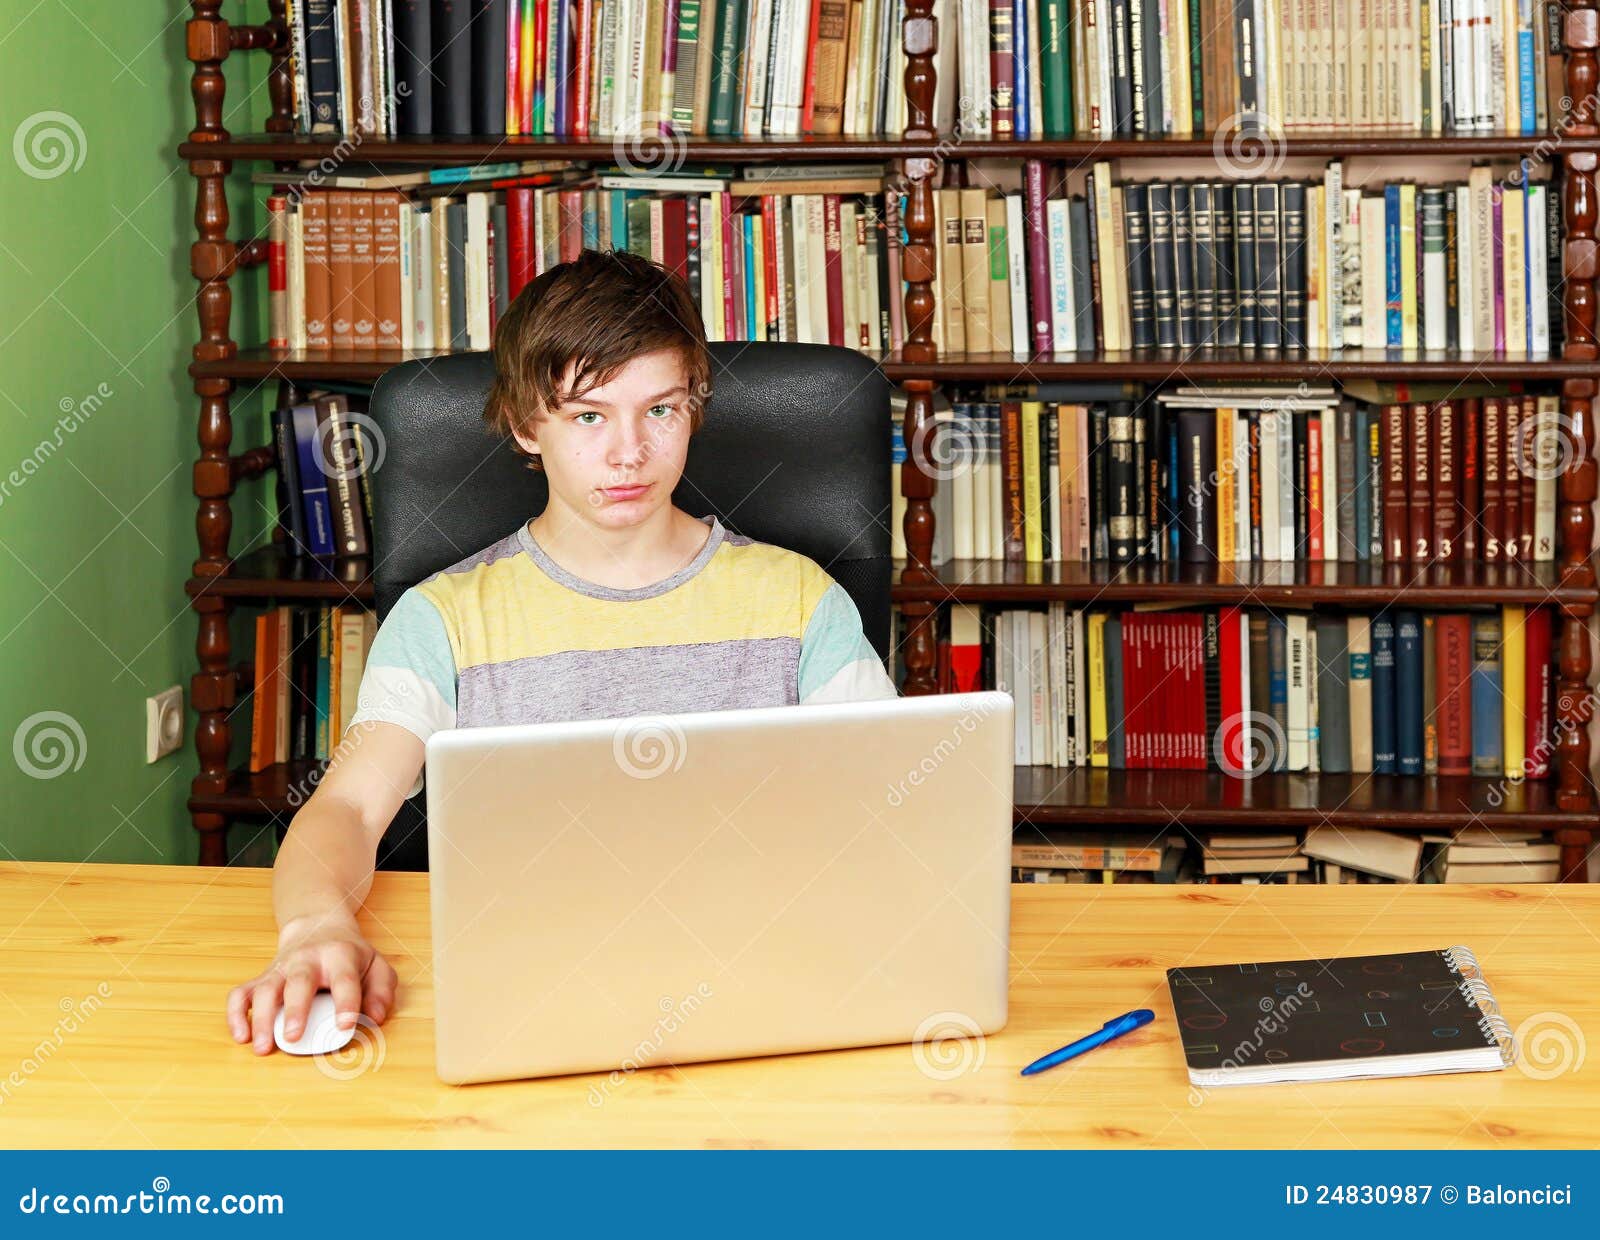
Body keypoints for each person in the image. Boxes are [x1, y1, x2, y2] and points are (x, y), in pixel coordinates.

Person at [226, 248, 899, 1054]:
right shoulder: (442, 618)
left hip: (759, 988)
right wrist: (313, 925)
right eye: (588, 415)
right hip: (526, 992)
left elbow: (892, 810)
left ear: (695, 408)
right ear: (523, 423)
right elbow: (347, 809)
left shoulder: (799, 600)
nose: (629, 453)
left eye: (662, 410)